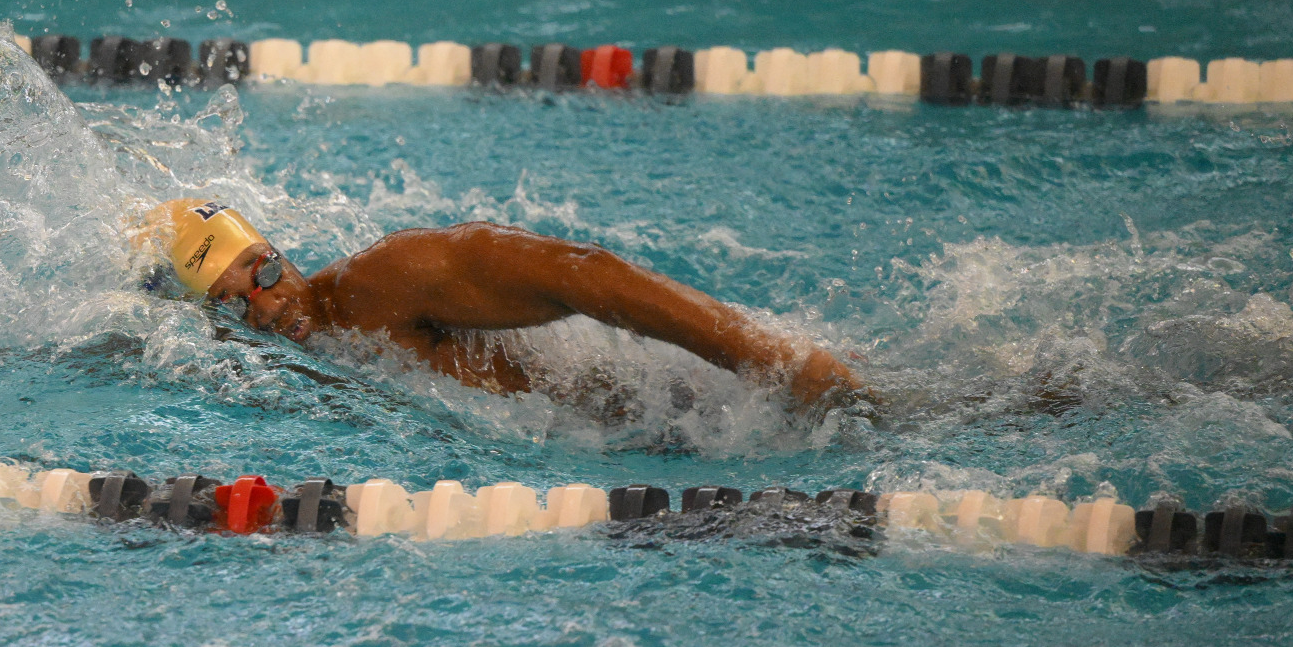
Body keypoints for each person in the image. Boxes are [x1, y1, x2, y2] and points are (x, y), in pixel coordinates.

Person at [140, 199, 861, 409]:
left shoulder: (382, 282)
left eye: (262, 275)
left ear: (279, 248)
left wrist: (775, 361)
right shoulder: (265, 356)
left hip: (691, 412)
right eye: (233, 305)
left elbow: (587, 273)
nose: (265, 310)